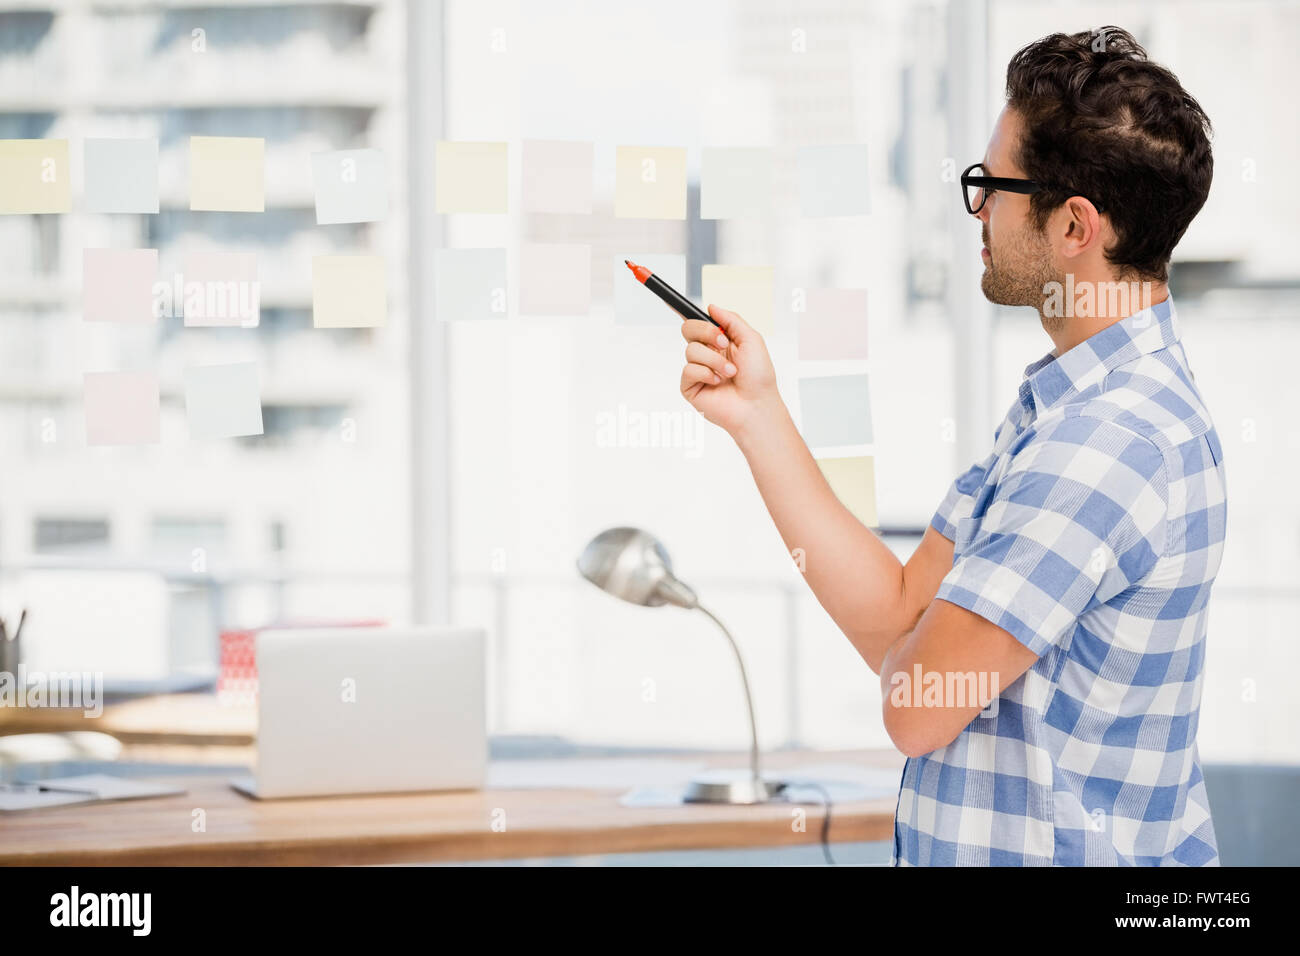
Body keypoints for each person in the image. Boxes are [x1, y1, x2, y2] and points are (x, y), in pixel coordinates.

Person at [677, 25, 1222, 866]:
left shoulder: (1104, 445)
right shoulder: (1063, 408)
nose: (978, 209)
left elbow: (917, 705)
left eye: (993, 185)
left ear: (1074, 225)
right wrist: (758, 414)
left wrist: (918, 651)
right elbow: (896, 611)